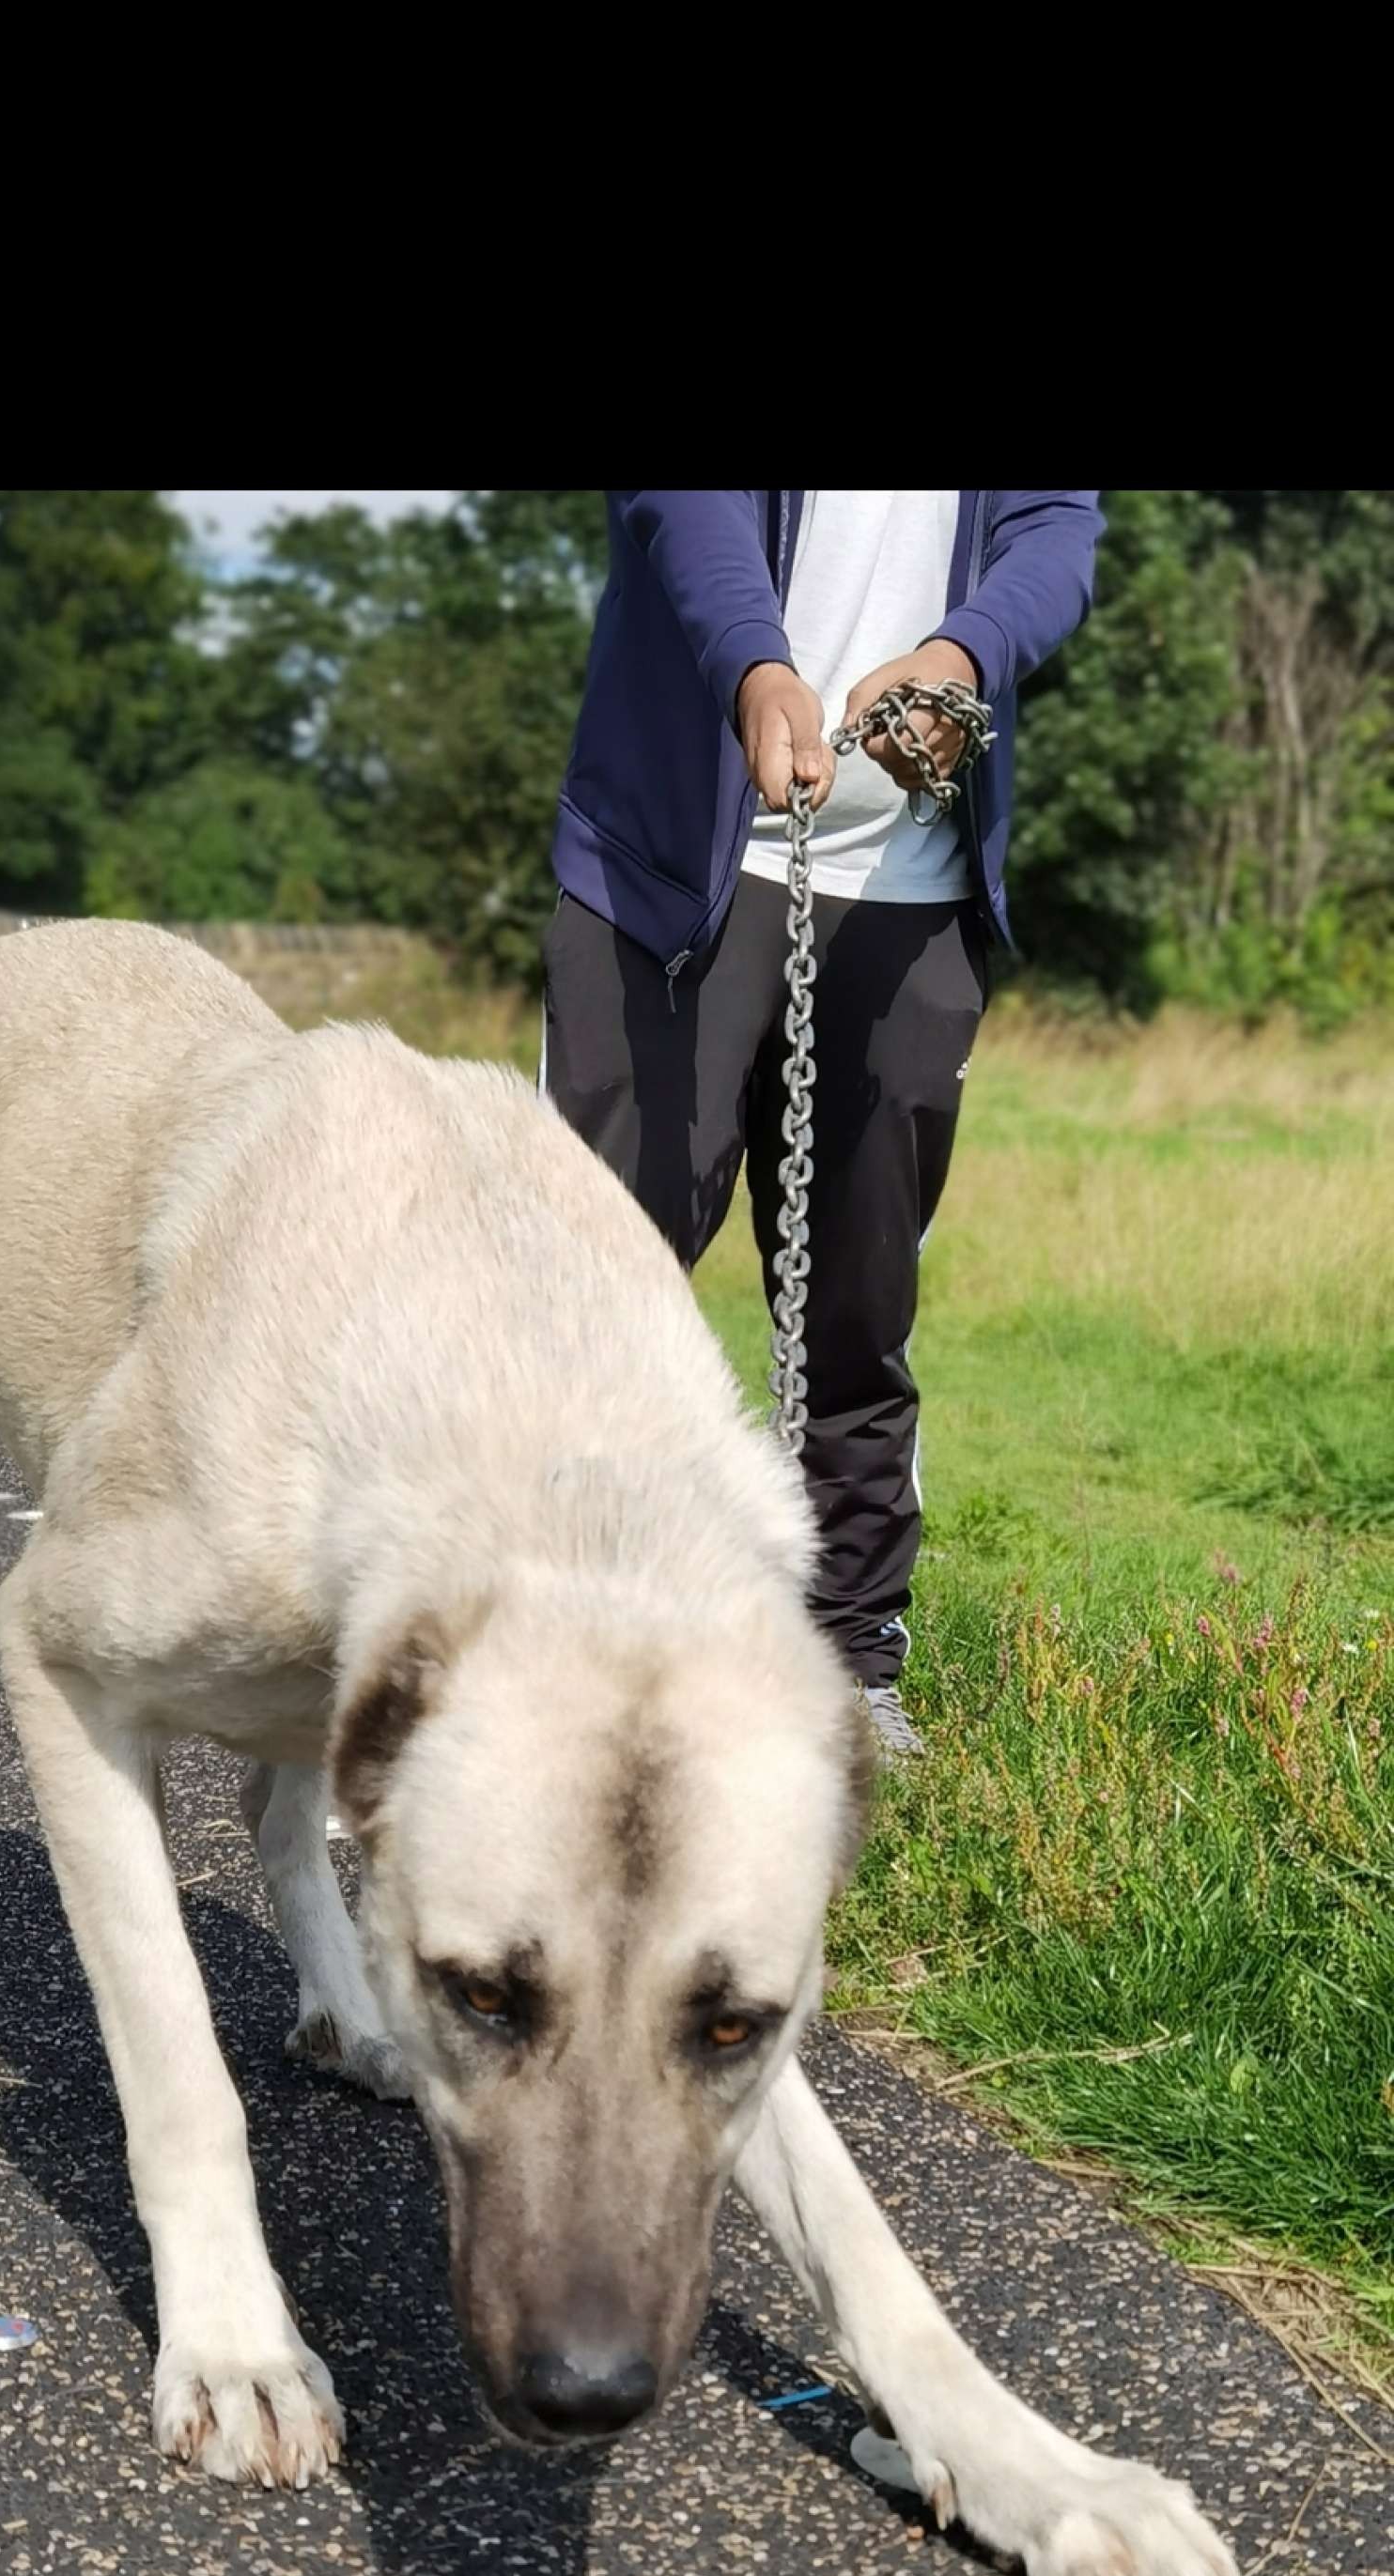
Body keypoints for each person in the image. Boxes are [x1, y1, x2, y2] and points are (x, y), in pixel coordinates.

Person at [543, 492, 1102, 1754]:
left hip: (906, 878)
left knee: (856, 1298)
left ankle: (848, 1655)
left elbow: (1057, 528)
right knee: (590, 1288)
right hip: (670, 865)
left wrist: (959, 656)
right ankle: (547, 1640)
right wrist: (756, 666)